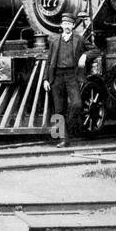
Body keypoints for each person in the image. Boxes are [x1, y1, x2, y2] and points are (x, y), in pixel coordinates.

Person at [42, 14, 90, 147]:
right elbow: (49, 61)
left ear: (73, 26)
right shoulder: (54, 40)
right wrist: (46, 79)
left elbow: (96, 50)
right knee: (58, 109)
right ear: (61, 25)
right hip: (57, 76)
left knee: (77, 104)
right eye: (65, 24)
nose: (67, 26)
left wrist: (85, 55)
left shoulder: (79, 39)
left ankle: (67, 127)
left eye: (69, 24)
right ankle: (63, 139)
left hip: (72, 76)